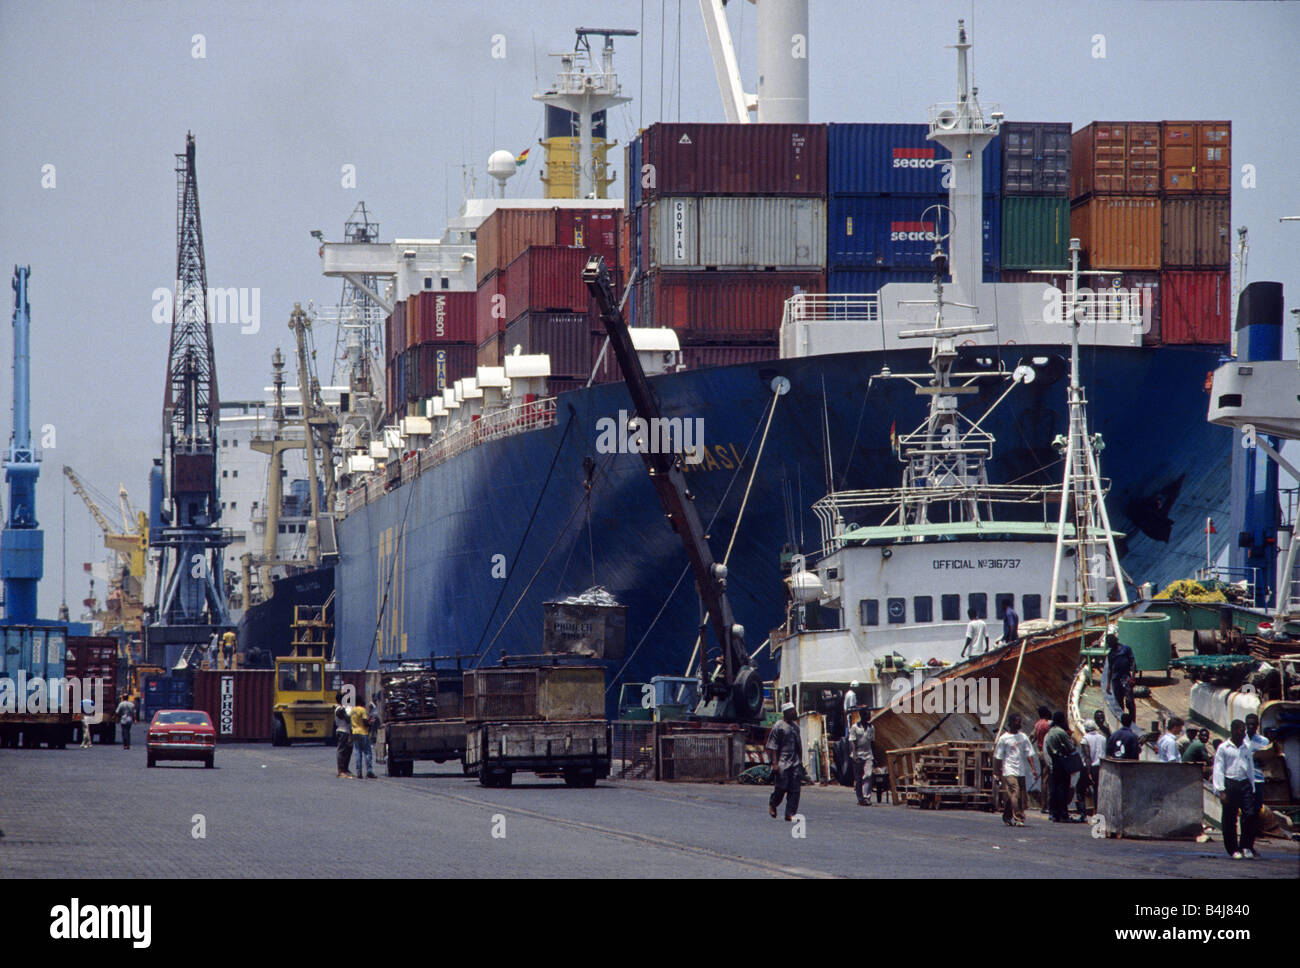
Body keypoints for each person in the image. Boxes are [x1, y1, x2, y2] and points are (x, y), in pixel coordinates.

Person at [1212, 719, 1258, 859]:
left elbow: (1250, 767)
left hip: (1244, 783)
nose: (1243, 733)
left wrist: (1252, 786)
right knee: (1229, 818)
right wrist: (1221, 790)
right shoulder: (1223, 748)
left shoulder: (1246, 747)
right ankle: (1233, 849)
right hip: (1230, 783)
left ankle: (1246, 846)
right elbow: (1218, 768)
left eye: (1244, 731)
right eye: (1241, 730)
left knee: (1250, 814)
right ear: (1233, 730)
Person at [994, 713, 1038, 826]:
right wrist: (998, 772)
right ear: (1010, 723)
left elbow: (1029, 753)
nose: (1019, 724)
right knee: (1015, 792)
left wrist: (1033, 769)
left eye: (1020, 721)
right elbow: (998, 757)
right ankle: (1019, 818)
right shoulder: (1004, 739)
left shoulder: (1023, 737)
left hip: (1020, 770)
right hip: (1008, 770)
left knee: (1016, 795)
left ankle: (1006, 816)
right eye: (1016, 721)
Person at [766, 702, 803, 821]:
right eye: (792, 711)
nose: (795, 713)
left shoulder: (795, 727)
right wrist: (775, 764)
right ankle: (773, 803)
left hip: (795, 761)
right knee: (781, 787)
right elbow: (772, 746)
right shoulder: (779, 726)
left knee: (795, 789)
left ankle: (790, 813)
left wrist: (801, 762)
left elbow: (799, 745)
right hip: (782, 761)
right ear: (787, 712)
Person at [1043, 711, 1081, 822]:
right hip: (1063, 762)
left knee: (1054, 788)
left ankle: (1054, 813)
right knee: (1063, 788)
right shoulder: (1061, 732)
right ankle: (1063, 813)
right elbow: (1071, 748)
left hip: (1054, 762)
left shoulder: (1049, 733)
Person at [1103, 632, 1137, 721]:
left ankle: (1133, 720)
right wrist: (1108, 684)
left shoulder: (1126, 649)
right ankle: (1122, 721)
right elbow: (1110, 669)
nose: (1110, 646)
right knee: (1119, 702)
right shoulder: (1111, 654)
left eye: (1110, 644)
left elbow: (1133, 662)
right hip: (1116, 680)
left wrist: (1132, 677)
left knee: (1129, 702)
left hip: (1126, 678)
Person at [847, 711, 874, 806]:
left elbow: (872, 742)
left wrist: (874, 756)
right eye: (867, 714)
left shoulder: (871, 727)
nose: (869, 716)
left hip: (868, 755)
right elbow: (852, 742)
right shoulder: (855, 727)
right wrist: (854, 755)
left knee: (868, 775)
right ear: (862, 716)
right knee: (858, 778)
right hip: (858, 755)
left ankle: (866, 797)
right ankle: (860, 798)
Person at [1079, 721, 1106, 816]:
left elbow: (1087, 757)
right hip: (1101, 767)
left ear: (1086, 729)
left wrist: (1088, 772)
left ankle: (1083, 814)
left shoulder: (1085, 739)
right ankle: (1097, 811)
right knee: (1097, 790)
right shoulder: (1103, 738)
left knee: (1080, 789)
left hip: (1090, 767)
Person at [1032, 706, 1052, 813]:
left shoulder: (1037, 725)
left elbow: (1032, 738)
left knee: (1043, 779)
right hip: (1047, 753)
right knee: (1048, 779)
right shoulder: (1048, 724)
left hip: (1039, 752)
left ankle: (1044, 805)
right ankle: (1046, 805)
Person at [351, 696, 375, 778]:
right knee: (367, 752)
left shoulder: (352, 710)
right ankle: (369, 771)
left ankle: (359, 772)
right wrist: (370, 723)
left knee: (358, 752)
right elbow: (365, 721)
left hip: (354, 732)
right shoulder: (362, 710)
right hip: (363, 732)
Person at [333, 692, 353, 779]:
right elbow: (347, 719)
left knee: (347, 751)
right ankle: (341, 771)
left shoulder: (342, 708)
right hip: (342, 731)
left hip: (347, 731)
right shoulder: (340, 709)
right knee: (341, 751)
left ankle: (345, 769)